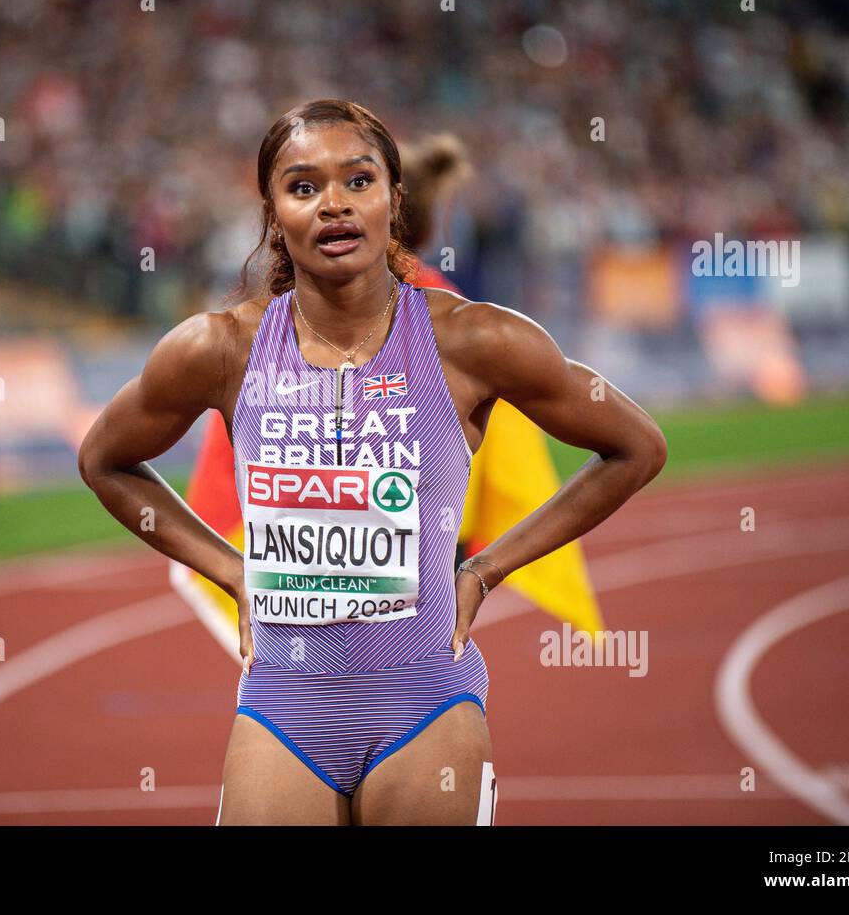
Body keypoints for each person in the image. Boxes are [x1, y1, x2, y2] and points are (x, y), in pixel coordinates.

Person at [78, 99, 667, 825]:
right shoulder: (219, 349)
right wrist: (229, 570)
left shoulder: (473, 341)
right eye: (303, 187)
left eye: (358, 180)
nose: (334, 204)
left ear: (395, 198)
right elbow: (105, 461)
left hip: (425, 701)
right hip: (284, 705)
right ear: (272, 215)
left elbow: (636, 447)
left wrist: (486, 570)